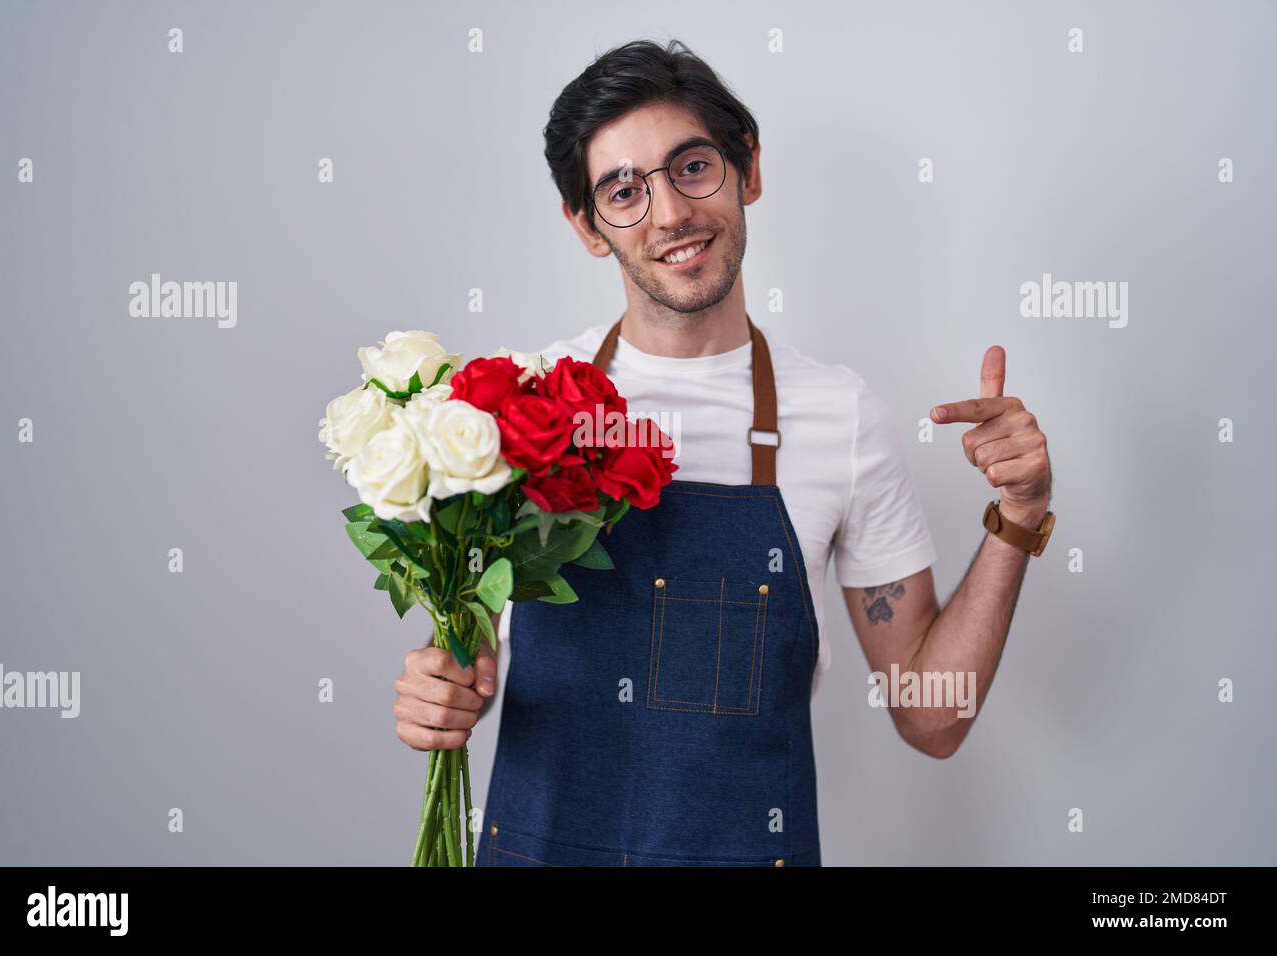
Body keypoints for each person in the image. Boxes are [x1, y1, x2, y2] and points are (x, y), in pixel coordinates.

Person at [393, 38, 1054, 867]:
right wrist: (443, 682)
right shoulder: (521, 407)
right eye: (623, 190)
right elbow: (472, 648)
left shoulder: (840, 419)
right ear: (587, 227)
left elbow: (931, 716)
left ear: (748, 169)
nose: (669, 214)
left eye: (692, 167)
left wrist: (1017, 520)